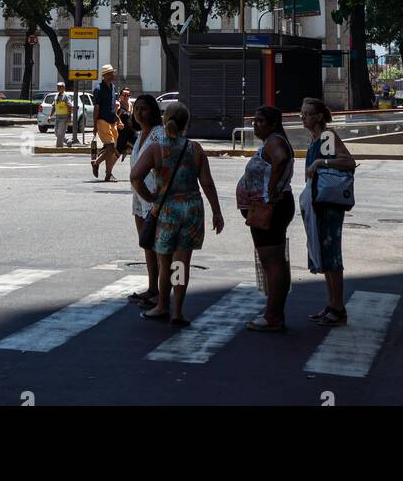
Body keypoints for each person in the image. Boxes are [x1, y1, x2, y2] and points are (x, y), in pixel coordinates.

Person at [130, 101, 224, 326]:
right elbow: (207, 184)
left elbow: (135, 177)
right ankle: (178, 311)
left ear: (165, 120)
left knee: (165, 263)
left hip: (166, 211)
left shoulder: (156, 149)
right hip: (191, 210)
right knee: (181, 264)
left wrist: (151, 197)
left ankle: (162, 305)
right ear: (186, 124)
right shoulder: (195, 149)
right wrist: (217, 212)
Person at [235, 105, 296, 332]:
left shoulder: (274, 141)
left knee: (273, 262)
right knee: (274, 261)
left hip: (270, 208)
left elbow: (279, 160)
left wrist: (269, 191)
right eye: (255, 121)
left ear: (273, 124)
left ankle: (273, 316)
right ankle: (273, 313)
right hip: (271, 206)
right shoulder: (273, 140)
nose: (255, 125)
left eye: (260, 121)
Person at [299, 97, 356, 326]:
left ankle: (338, 307)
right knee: (323, 253)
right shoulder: (317, 139)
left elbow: (347, 161)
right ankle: (332, 304)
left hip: (328, 204)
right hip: (318, 202)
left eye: (307, 114)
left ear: (319, 116)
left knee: (331, 254)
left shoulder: (326, 137)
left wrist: (321, 164)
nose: (302, 117)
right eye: (302, 113)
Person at [127, 93, 166, 307]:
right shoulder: (141, 134)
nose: (140, 113)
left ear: (153, 111)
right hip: (140, 198)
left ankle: (161, 292)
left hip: (153, 197)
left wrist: (154, 196)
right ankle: (152, 288)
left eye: (144, 109)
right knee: (147, 245)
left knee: (159, 246)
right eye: (137, 109)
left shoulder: (158, 134)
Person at [91, 64, 119, 182]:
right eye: (112, 73)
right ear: (106, 75)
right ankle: (108, 174)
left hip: (112, 121)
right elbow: (96, 108)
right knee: (110, 146)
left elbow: (112, 105)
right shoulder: (98, 89)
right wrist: (94, 125)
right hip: (102, 120)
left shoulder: (112, 87)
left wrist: (118, 118)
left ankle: (96, 163)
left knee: (114, 148)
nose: (114, 74)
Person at [116, 87, 136, 161]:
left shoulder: (130, 104)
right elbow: (114, 116)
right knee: (116, 152)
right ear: (120, 95)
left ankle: (127, 149)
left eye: (128, 95)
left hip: (129, 131)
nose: (126, 97)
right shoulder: (118, 104)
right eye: (124, 95)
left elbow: (132, 117)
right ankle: (98, 163)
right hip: (120, 131)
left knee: (136, 144)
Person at [53, 82, 71, 147]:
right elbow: (54, 106)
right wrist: (50, 116)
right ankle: (68, 141)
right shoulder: (56, 96)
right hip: (57, 117)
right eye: (57, 87)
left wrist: (69, 117)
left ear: (63, 88)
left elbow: (69, 107)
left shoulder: (66, 96)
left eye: (60, 87)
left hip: (64, 117)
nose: (58, 88)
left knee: (60, 133)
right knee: (56, 132)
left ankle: (59, 147)